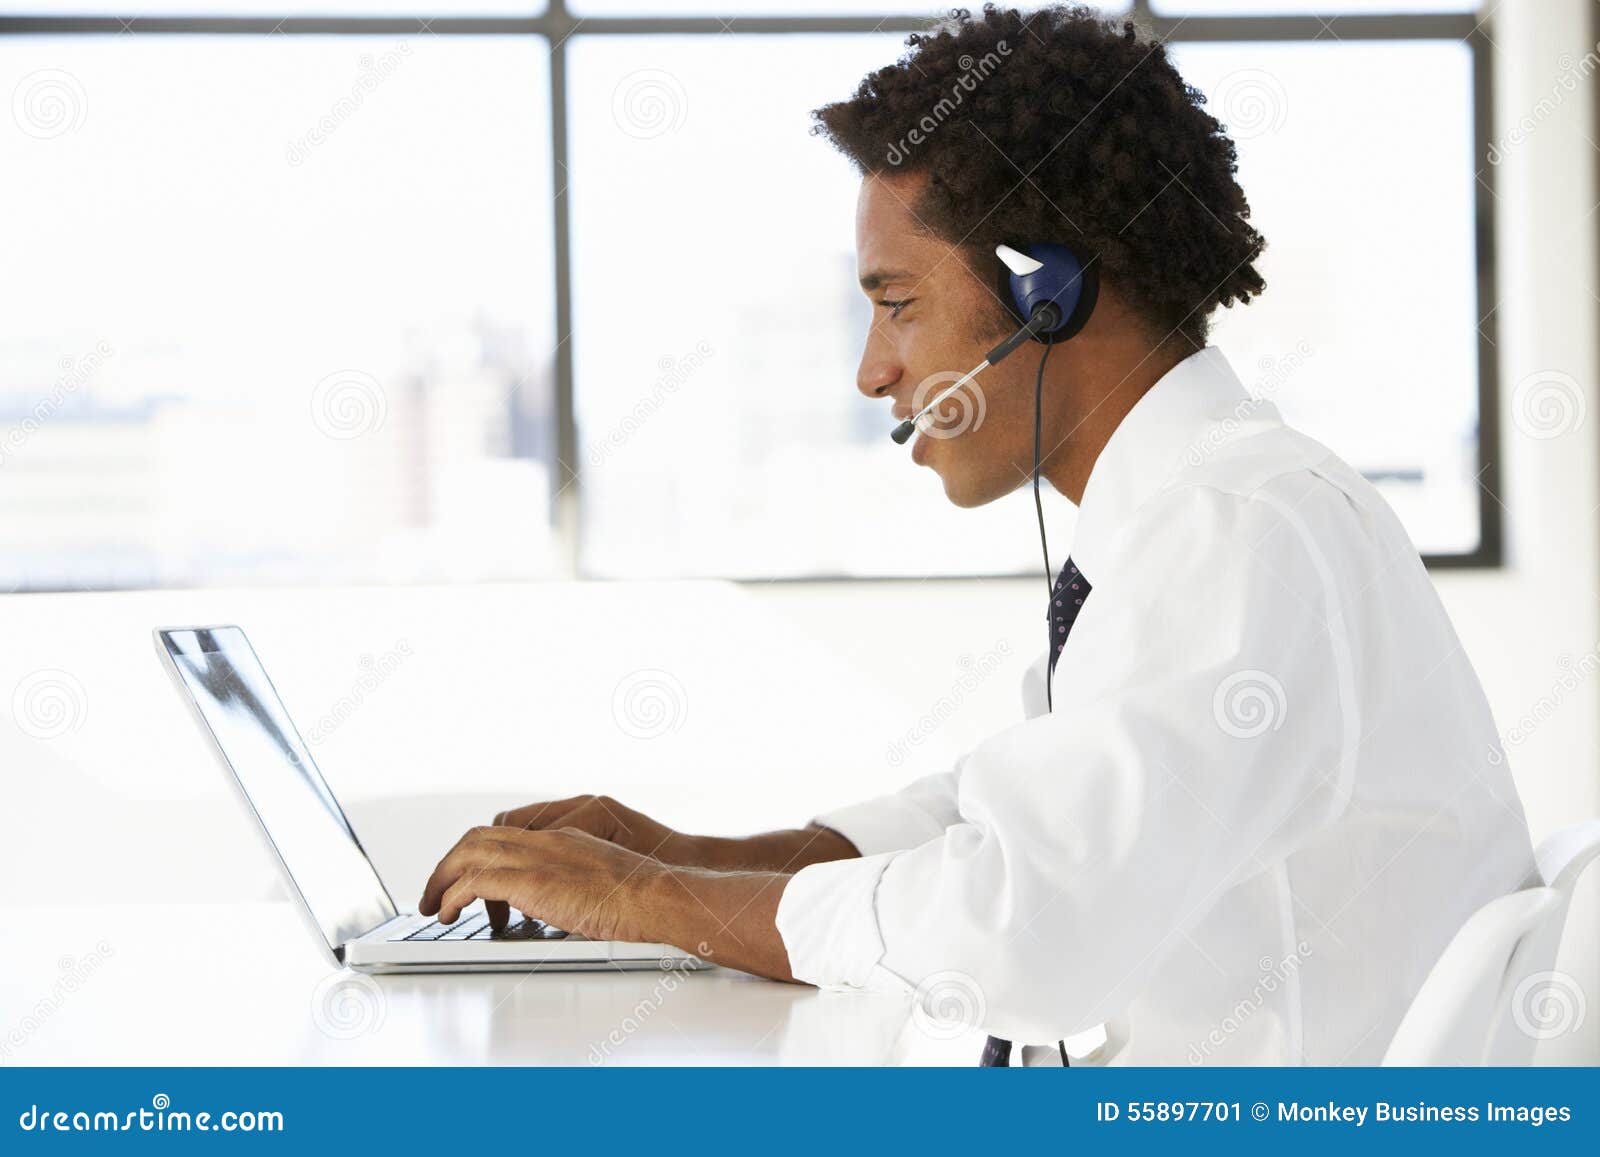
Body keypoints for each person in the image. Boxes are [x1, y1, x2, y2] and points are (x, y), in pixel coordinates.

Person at [420, 4, 1534, 1065]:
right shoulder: (1195, 509)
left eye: (897, 303)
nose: (872, 370)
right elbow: (991, 820)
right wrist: (672, 856)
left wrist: (646, 899)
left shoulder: (1234, 529)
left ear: (1048, 294)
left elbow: (1020, 931)